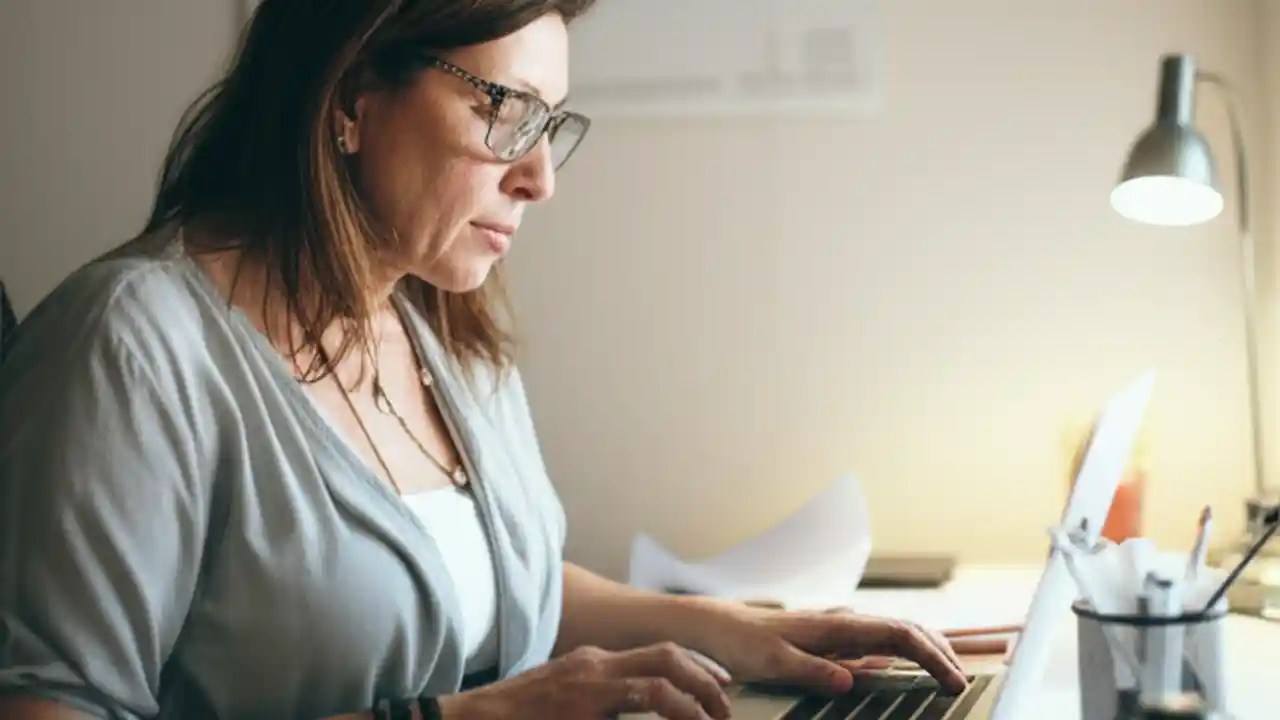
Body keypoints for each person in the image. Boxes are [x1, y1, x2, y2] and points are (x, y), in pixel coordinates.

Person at [0, 1, 969, 718]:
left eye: (551, 126)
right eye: (507, 110)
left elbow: (501, 585)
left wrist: (739, 631)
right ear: (347, 98)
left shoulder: (441, 324)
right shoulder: (130, 343)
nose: (539, 176)